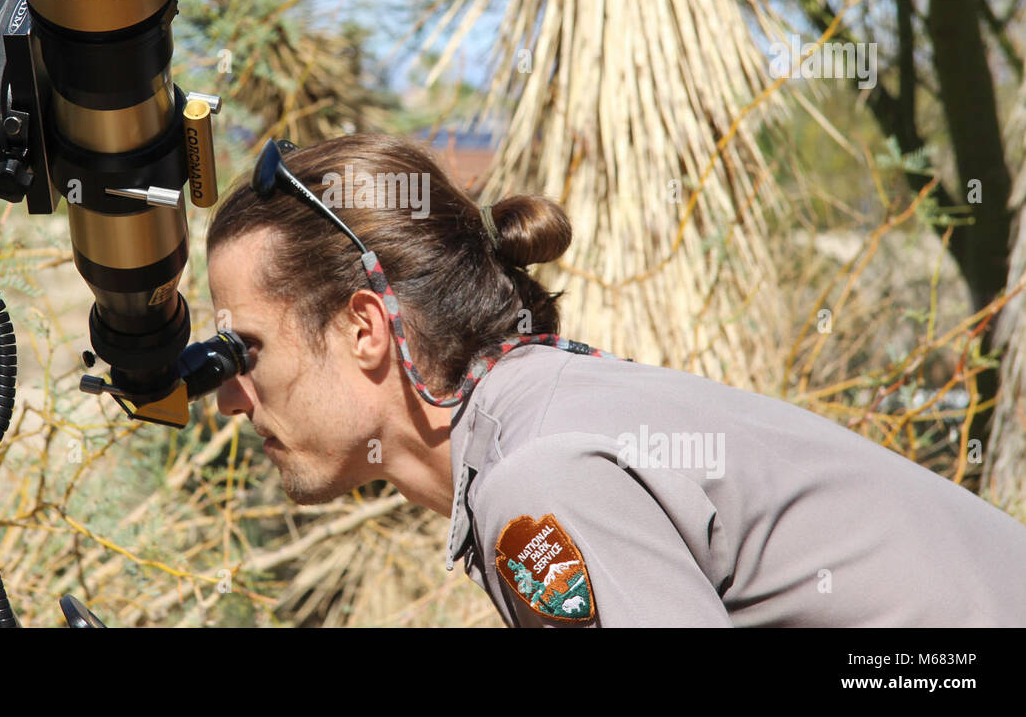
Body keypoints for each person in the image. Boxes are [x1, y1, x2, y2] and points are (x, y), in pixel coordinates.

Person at [205, 133, 1026, 627]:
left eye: (245, 352)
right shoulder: (556, 409)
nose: (228, 397)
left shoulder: (542, 474)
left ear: (364, 330)